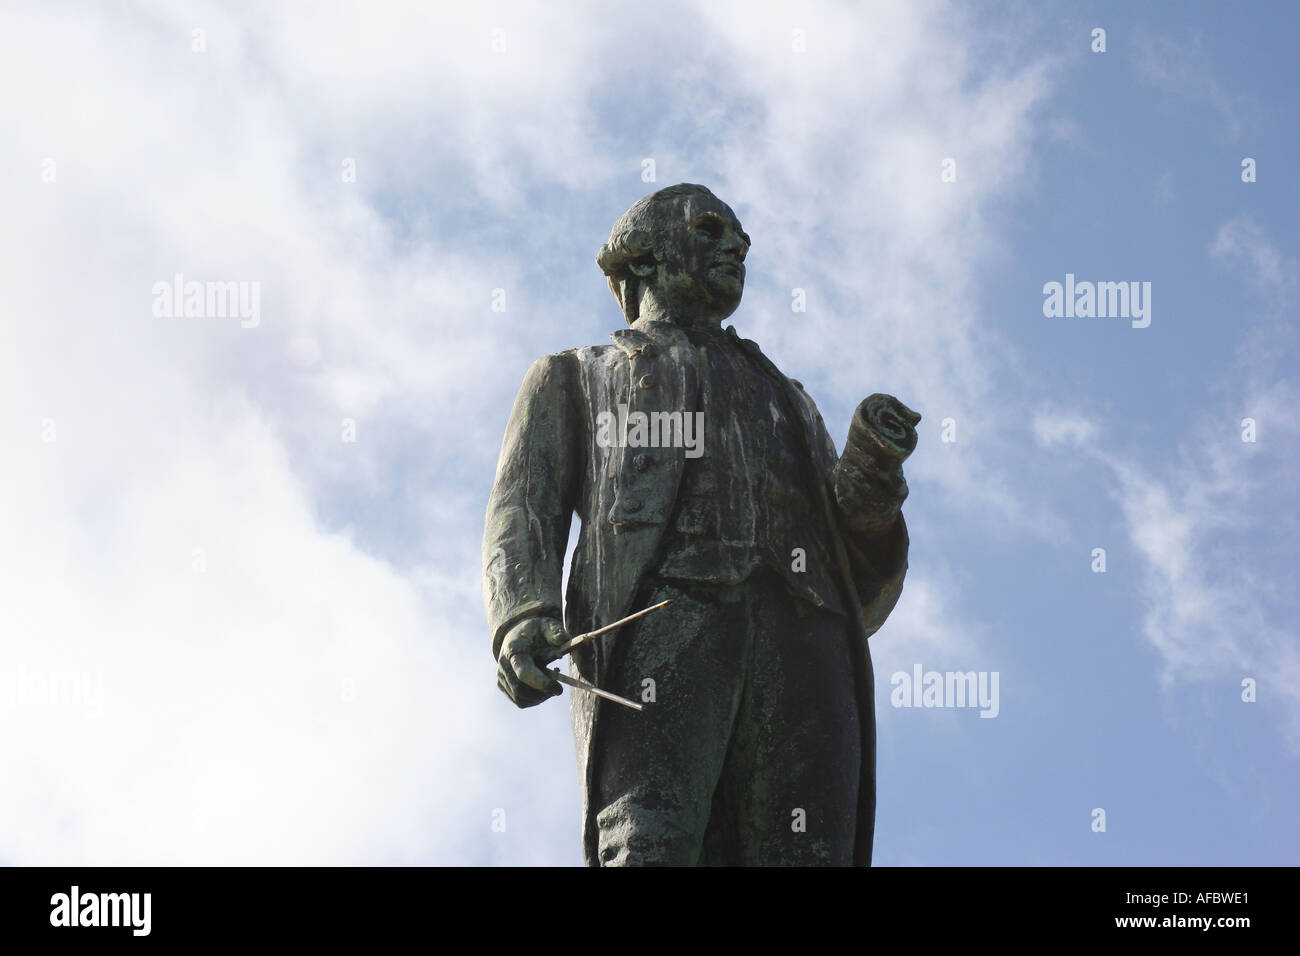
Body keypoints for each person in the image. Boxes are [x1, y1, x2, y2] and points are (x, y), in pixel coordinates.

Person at [483, 183, 917, 865]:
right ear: (644, 256)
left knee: (811, 850)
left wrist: (872, 471)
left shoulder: (787, 397)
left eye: (739, 238)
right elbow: (523, 502)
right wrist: (521, 614)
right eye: (710, 230)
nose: (736, 247)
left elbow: (846, 532)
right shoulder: (576, 376)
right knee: (650, 841)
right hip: (658, 621)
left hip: (806, 633)